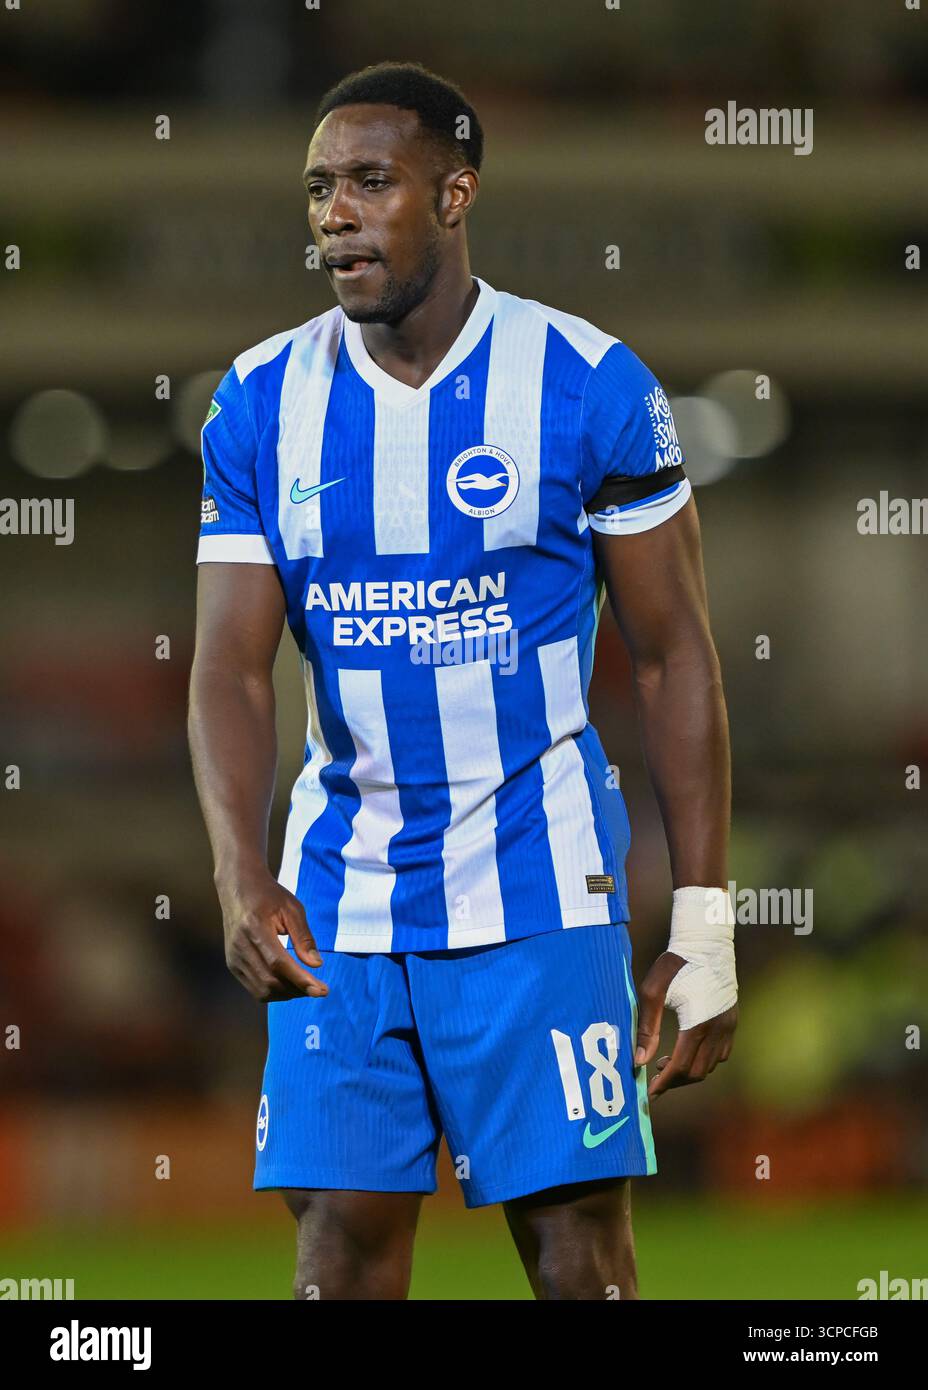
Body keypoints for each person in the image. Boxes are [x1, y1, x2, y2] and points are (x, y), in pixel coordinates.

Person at [188, 61, 738, 1301]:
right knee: (337, 1252)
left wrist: (704, 924)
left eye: (372, 183)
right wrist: (237, 873)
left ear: (457, 193)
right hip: (342, 899)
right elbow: (227, 664)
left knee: (574, 1254)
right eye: (320, 187)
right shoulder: (260, 401)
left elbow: (674, 656)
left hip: (541, 892)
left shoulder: (588, 383)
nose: (335, 212)